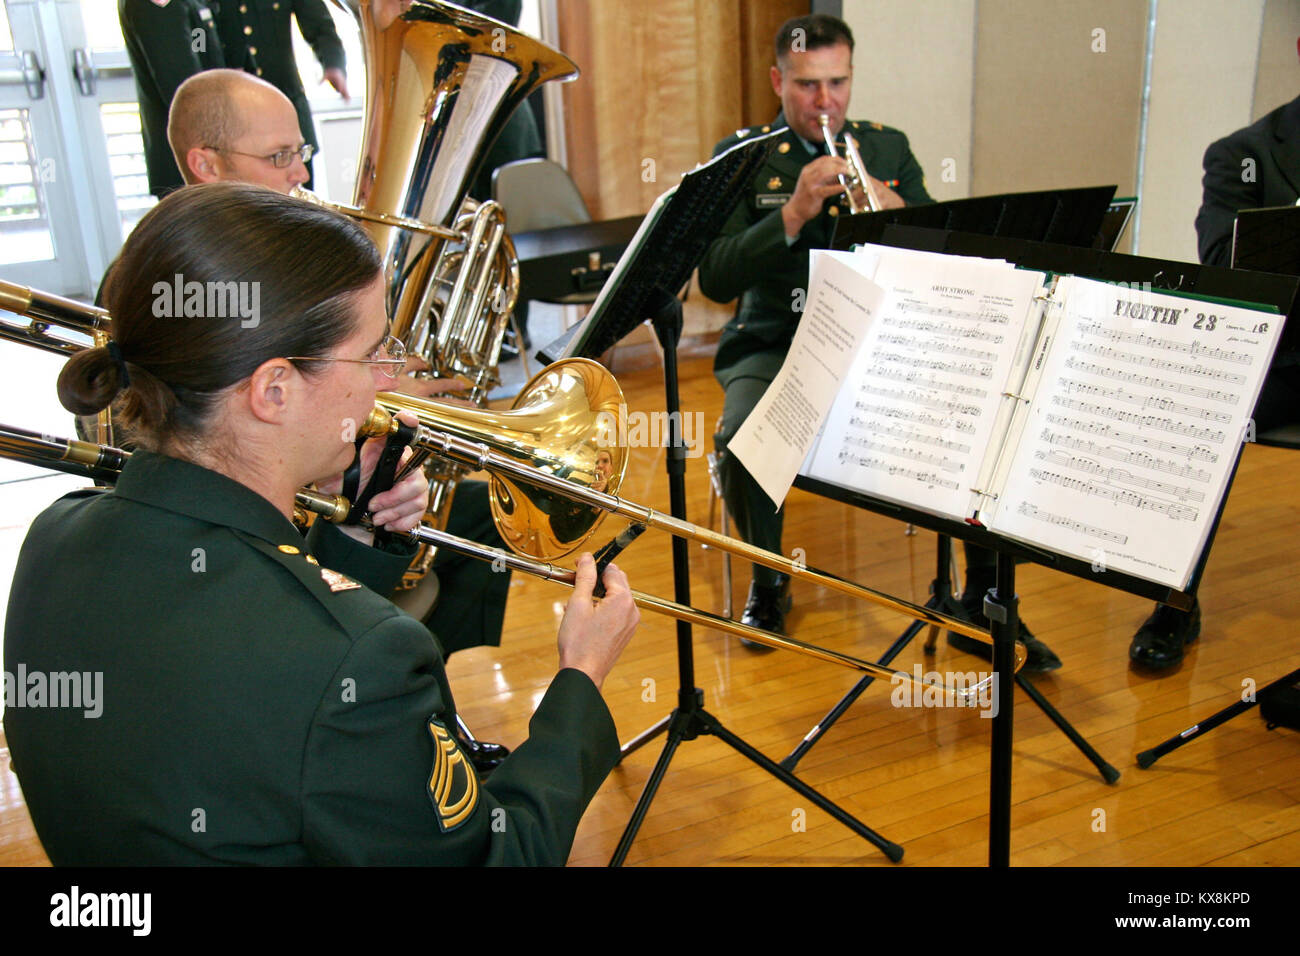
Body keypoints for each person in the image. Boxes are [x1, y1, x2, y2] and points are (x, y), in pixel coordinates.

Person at [3, 183, 639, 865]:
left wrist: (354, 542)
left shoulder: (53, 536)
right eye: (370, 355)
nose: (387, 382)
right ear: (273, 390)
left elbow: (251, 647)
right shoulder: (364, 661)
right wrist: (580, 681)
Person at [167, 68, 514, 664]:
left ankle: (418, 693)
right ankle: (385, 684)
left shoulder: (288, 258)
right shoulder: (177, 282)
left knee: (476, 518)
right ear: (207, 164)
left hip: (319, 500)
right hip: (248, 544)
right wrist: (373, 400)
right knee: (442, 527)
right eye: (279, 156)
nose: (301, 174)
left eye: (300, 152)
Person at [698, 14, 931, 639]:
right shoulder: (743, 157)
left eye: (838, 82)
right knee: (745, 433)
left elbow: (945, 253)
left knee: (966, 421)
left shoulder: (887, 148)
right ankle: (770, 579)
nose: (825, 101)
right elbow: (715, 279)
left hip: (874, 342)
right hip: (775, 340)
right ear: (778, 80)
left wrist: (898, 213)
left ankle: (969, 596)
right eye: (807, 85)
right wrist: (795, 213)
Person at [1127, 69, 1300, 669]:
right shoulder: (1245, 154)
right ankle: (1174, 599)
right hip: (1282, 355)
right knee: (1199, 415)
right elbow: (1224, 262)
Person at [213, 0, 348, 190]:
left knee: (301, 203)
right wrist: (200, 71)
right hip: (235, 122)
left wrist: (334, 66)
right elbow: (198, 31)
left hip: (288, 110)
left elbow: (321, 27)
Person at [118, 0, 226, 197]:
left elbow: (200, 48)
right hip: (193, 166)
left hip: (205, 162)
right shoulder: (157, 6)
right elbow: (187, 93)